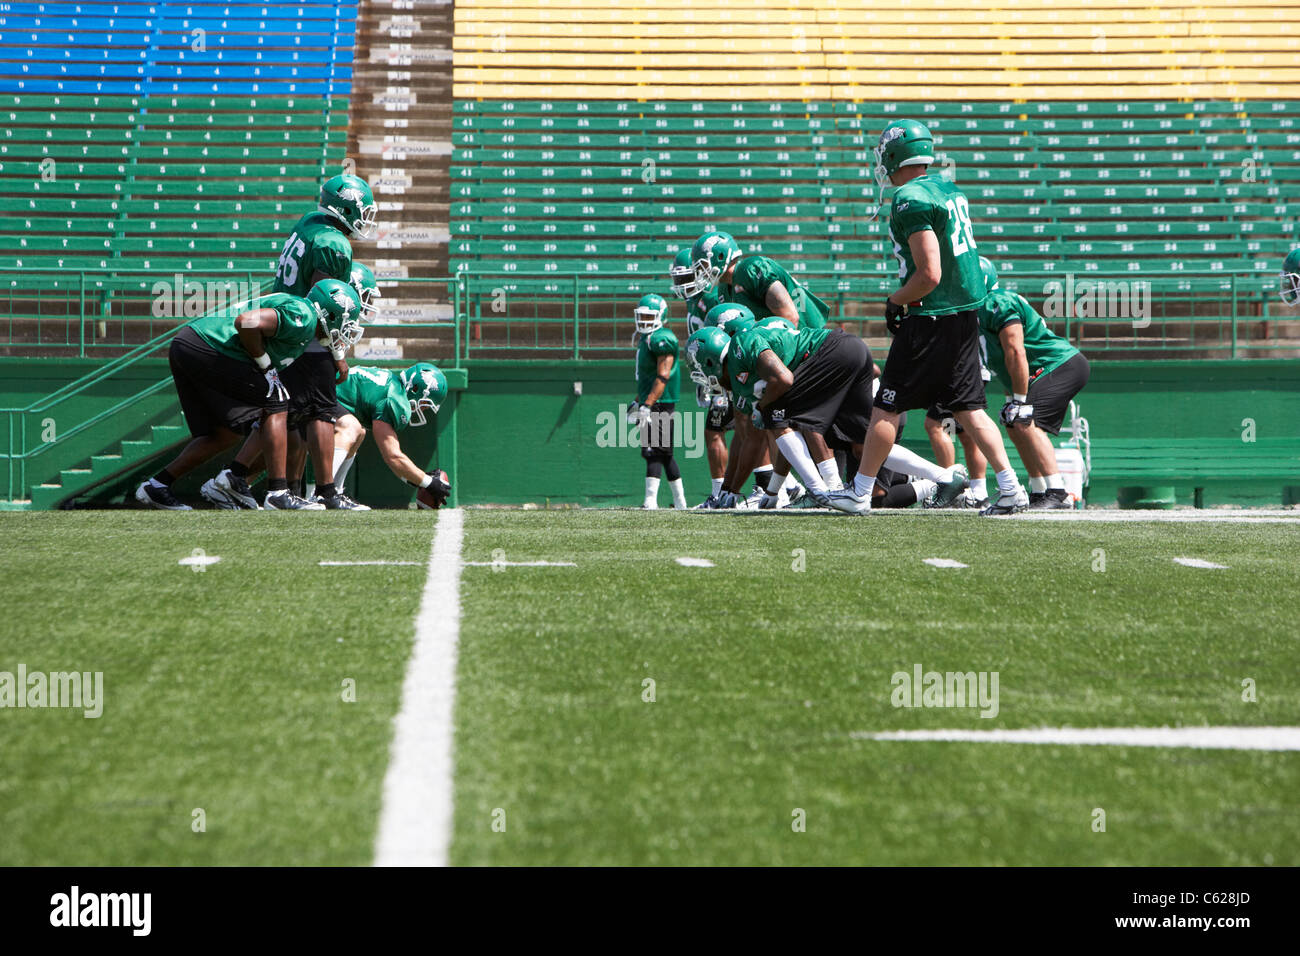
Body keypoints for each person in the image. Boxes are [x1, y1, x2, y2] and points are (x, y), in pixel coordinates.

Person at [826, 119, 1027, 516]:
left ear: (894, 154)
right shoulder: (950, 190)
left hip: (930, 317)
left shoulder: (910, 198)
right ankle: (1011, 488)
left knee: (886, 406)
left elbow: (929, 273)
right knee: (970, 408)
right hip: (963, 315)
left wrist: (896, 300)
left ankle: (860, 492)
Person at [138, 279, 362, 510]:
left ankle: (158, 485)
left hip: (190, 345)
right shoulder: (304, 316)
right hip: (208, 347)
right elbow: (245, 322)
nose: (346, 330)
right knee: (277, 400)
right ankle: (277, 492)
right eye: (346, 321)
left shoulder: (304, 324)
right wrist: (266, 367)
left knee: (225, 433)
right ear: (330, 314)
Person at [976, 257, 1090, 509]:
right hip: (1042, 370)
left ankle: (1058, 492)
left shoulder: (996, 302)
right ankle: (1038, 490)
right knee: (1013, 422)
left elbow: (1016, 351)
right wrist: (1011, 400)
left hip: (1059, 364)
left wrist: (1019, 401)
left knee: (1026, 419)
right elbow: (1004, 362)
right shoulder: (976, 309)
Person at [627, 294, 687, 509]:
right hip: (652, 401)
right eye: (641, 315)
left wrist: (648, 404)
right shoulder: (646, 338)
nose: (643, 320)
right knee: (658, 453)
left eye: (648, 316)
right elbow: (648, 378)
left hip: (661, 402)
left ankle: (652, 501)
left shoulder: (662, 338)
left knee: (658, 452)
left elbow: (663, 376)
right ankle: (678, 502)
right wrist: (638, 401)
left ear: (661, 316)